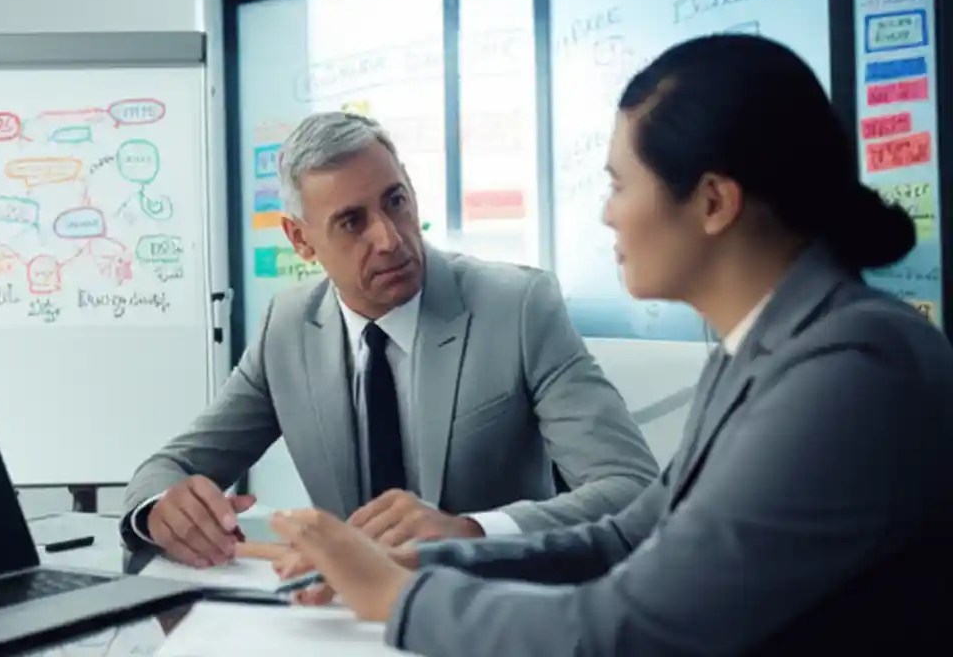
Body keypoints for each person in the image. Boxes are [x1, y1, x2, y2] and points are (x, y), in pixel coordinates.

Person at [268, 34, 953, 655]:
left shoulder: (851, 374)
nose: (606, 212)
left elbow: (622, 631)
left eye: (619, 184)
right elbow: (625, 537)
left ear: (713, 203)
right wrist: (429, 562)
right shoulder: (758, 352)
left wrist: (392, 597)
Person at [122, 110, 658, 567]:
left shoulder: (517, 306)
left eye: (395, 201)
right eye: (352, 222)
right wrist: (163, 507)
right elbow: (170, 467)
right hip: (354, 622)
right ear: (301, 240)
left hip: (500, 613)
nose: (389, 238)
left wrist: (468, 531)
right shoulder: (285, 330)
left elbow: (633, 489)